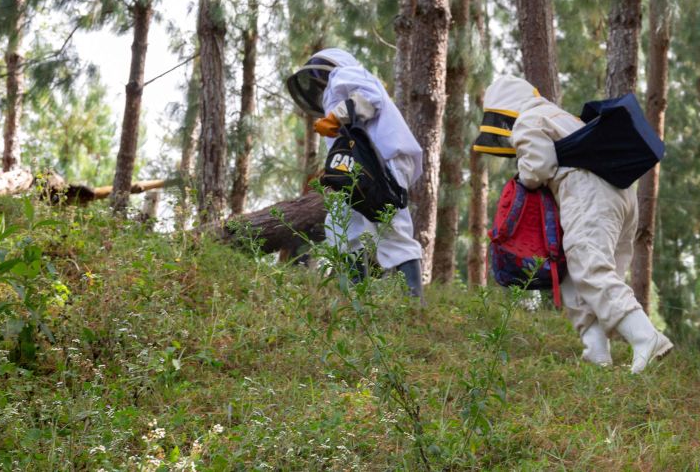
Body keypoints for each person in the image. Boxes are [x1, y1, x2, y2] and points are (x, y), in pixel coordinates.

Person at [472, 74, 673, 372]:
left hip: (588, 193)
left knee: (590, 268)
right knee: (579, 276)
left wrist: (523, 177)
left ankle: (646, 338)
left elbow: (537, 167)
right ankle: (596, 351)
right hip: (620, 195)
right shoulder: (561, 116)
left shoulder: (529, 119)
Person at [286, 48, 424, 298]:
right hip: (364, 167)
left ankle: (413, 299)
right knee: (341, 224)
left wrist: (337, 117)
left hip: (383, 161)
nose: (317, 86)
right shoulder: (339, 86)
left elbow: (370, 99)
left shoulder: (346, 74)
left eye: (318, 76)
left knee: (390, 224)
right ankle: (354, 294)